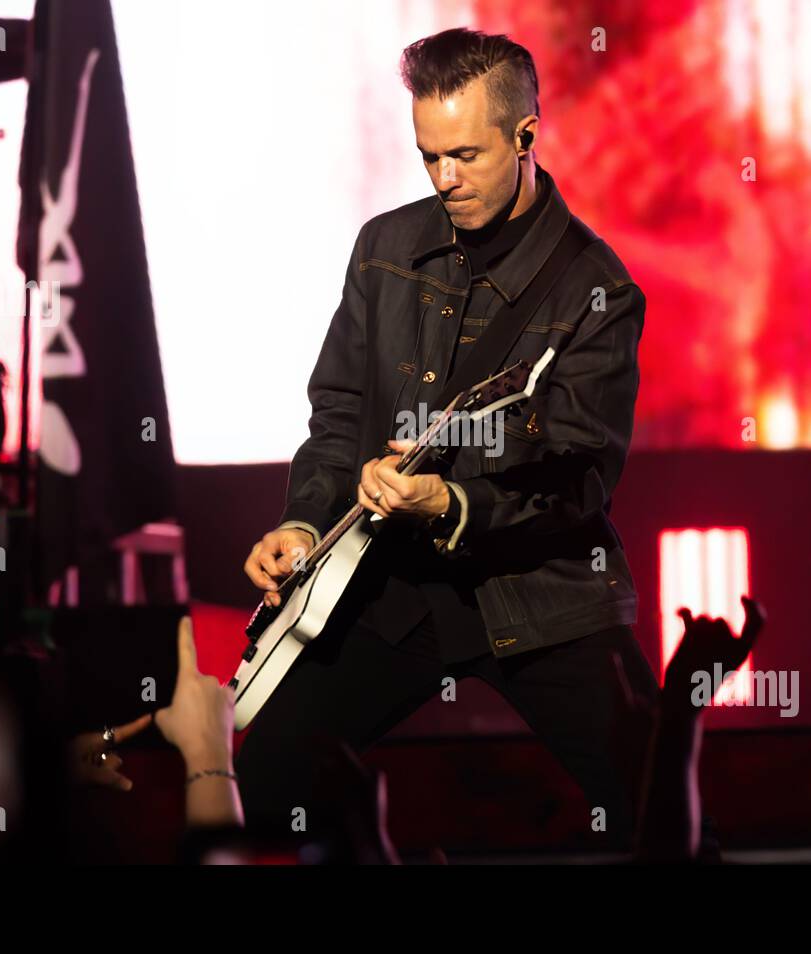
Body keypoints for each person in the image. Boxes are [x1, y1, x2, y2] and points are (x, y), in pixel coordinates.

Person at [238, 27, 656, 850]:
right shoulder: (385, 249)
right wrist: (299, 522)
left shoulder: (598, 290)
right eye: (429, 156)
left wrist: (453, 501)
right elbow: (339, 412)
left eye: (465, 154)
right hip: (392, 581)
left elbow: (578, 484)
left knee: (650, 796)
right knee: (267, 783)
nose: (444, 178)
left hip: (539, 591)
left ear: (526, 137)